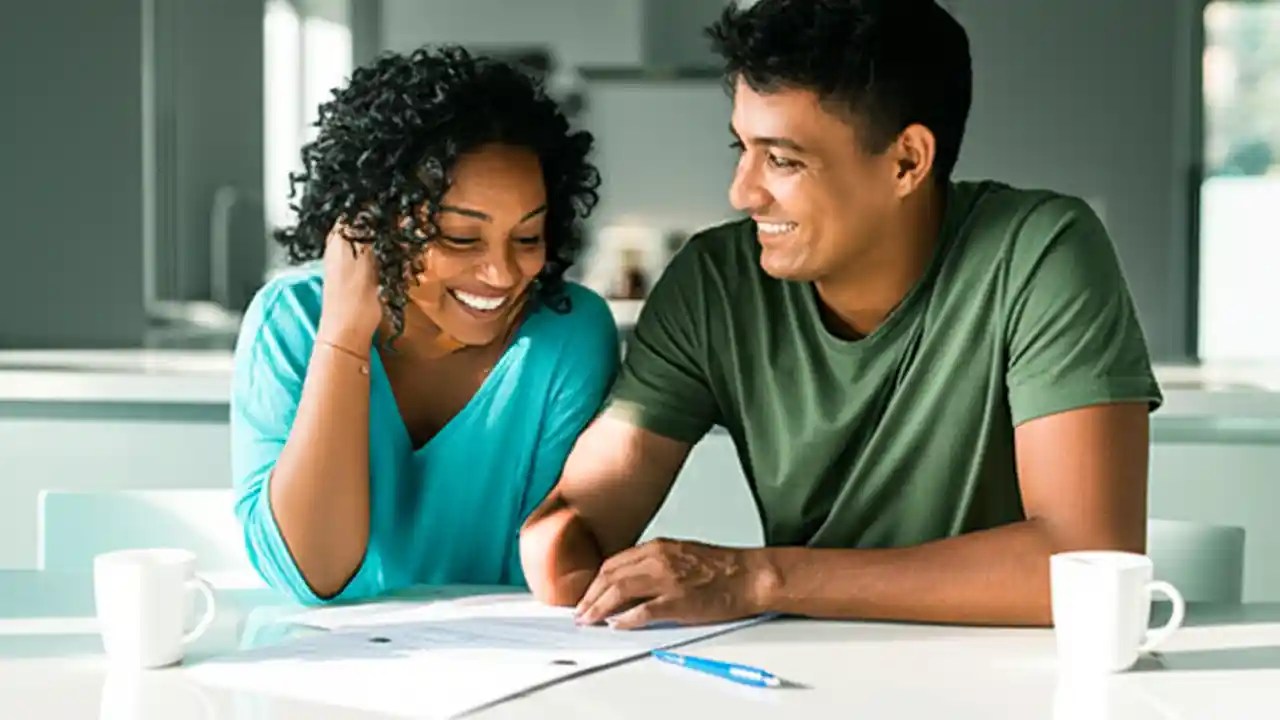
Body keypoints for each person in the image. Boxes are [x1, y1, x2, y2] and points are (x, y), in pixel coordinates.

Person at [520, 0, 1163, 629]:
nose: (742, 191)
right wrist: (567, 548)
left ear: (907, 161)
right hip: (804, 676)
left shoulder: (1041, 252)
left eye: (783, 159)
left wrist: (757, 578)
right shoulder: (714, 283)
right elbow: (581, 518)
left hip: (1010, 681)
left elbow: (1085, 562)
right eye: (740, 147)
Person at [230, 46, 617, 604]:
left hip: (512, 663)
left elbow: (546, 579)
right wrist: (344, 333)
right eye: (461, 237)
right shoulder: (292, 321)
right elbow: (313, 572)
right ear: (372, 223)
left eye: (527, 238)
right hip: (316, 665)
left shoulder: (568, 337)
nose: (502, 272)